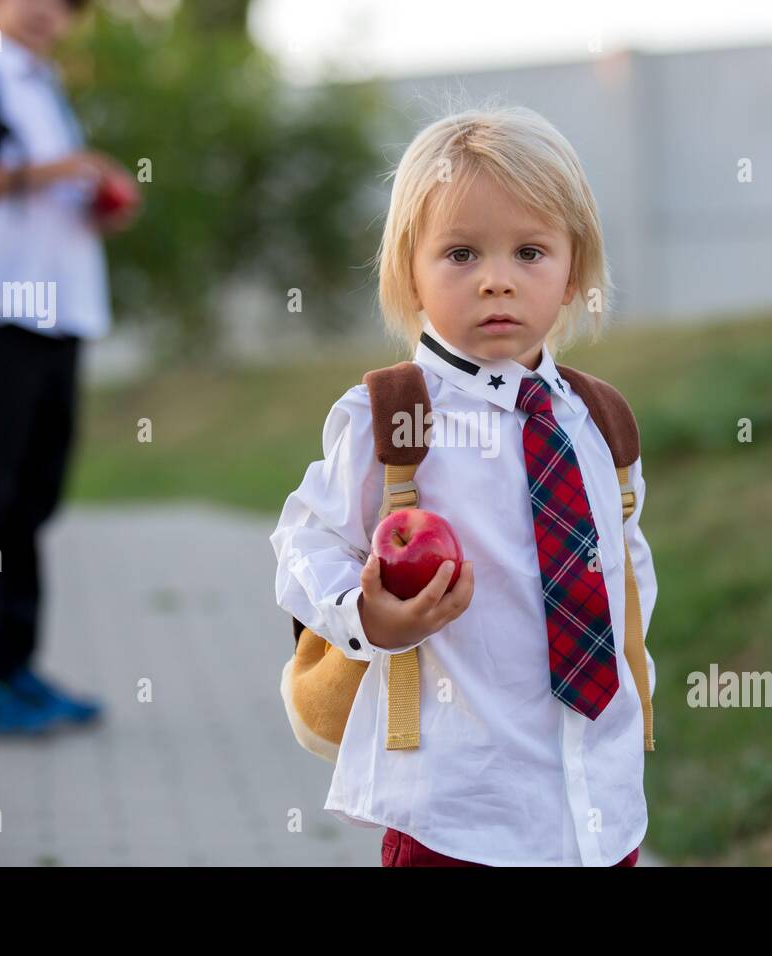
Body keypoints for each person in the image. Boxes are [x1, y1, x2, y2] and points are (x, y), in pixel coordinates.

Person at [270, 106, 657, 866]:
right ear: (407, 273)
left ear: (573, 270)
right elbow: (304, 541)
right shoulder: (394, 418)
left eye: (530, 251)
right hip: (457, 808)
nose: (496, 281)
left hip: (597, 804)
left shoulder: (599, 420)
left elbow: (628, 567)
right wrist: (368, 616)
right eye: (460, 254)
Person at [0, 0, 135, 734]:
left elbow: (44, 194)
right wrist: (45, 172)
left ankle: (14, 669)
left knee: (31, 499)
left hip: (63, 314)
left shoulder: (46, 90)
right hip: (0, 312)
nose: (43, 10)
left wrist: (92, 195)